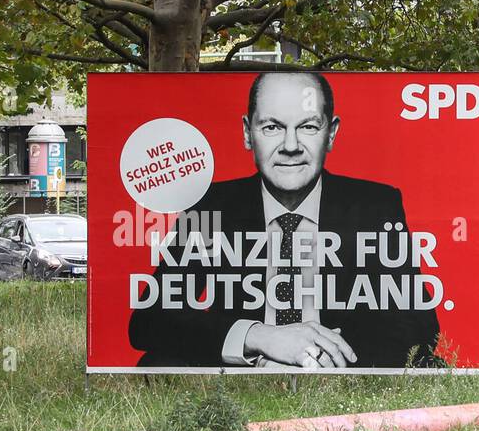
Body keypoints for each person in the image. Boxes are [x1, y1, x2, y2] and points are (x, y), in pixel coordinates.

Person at [129, 71, 441, 369]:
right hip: (242, 371)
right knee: (156, 364)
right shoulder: (211, 205)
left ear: (331, 134)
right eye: (272, 127)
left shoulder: (374, 206)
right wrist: (259, 338)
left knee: (429, 365)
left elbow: (419, 325)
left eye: (308, 127)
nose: (291, 146)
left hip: (338, 373)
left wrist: (312, 354)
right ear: (247, 133)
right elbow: (150, 320)